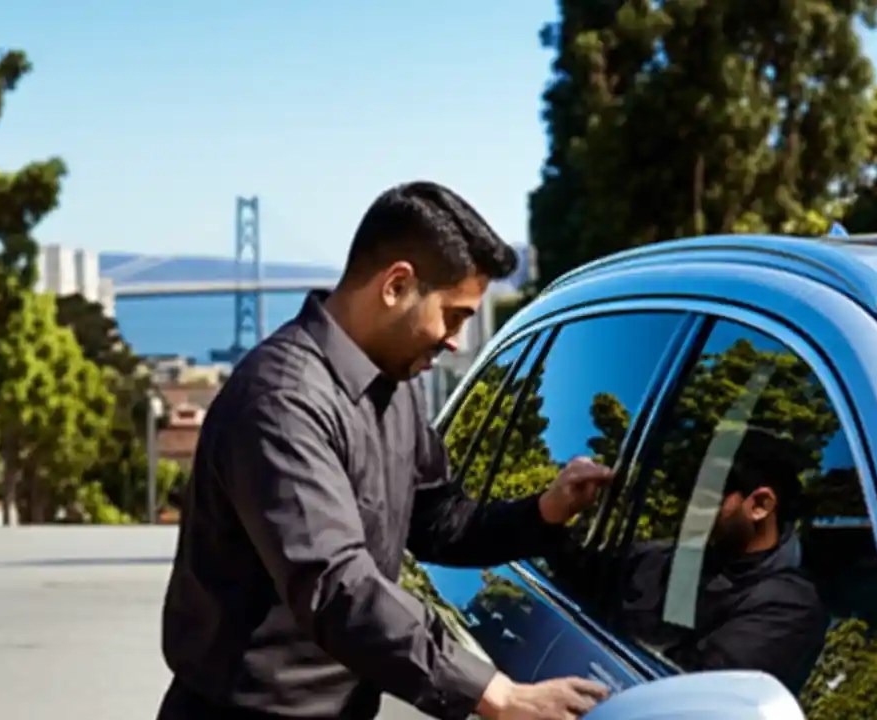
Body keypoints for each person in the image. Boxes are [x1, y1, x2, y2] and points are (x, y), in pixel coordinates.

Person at [157, 181, 614, 720]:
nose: (455, 342)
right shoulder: (281, 402)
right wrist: (495, 693)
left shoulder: (396, 391)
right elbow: (336, 585)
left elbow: (440, 520)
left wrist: (544, 510)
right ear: (396, 285)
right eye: (455, 315)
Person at [606, 426, 829, 693]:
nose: (691, 509)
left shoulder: (789, 608)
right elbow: (583, 570)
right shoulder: (662, 558)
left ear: (759, 505)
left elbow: (695, 696)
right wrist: (548, 512)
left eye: (707, 497)